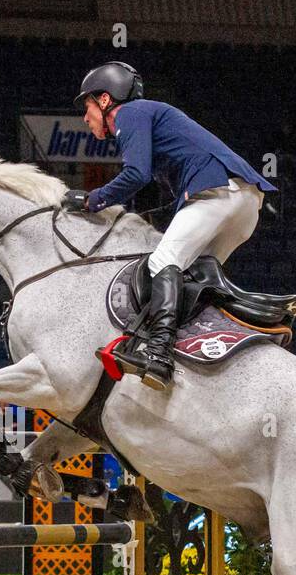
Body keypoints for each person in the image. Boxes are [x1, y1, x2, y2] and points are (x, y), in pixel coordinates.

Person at [64, 61, 283, 390]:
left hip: (217, 193)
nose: (85, 117)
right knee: (192, 282)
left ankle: (160, 357)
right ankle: (206, 353)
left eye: (87, 106)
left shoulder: (129, 113)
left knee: (163, 262)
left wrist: (92, 200)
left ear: (105, 100)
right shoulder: (149, 117)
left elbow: (135, 174)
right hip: (245, 202)